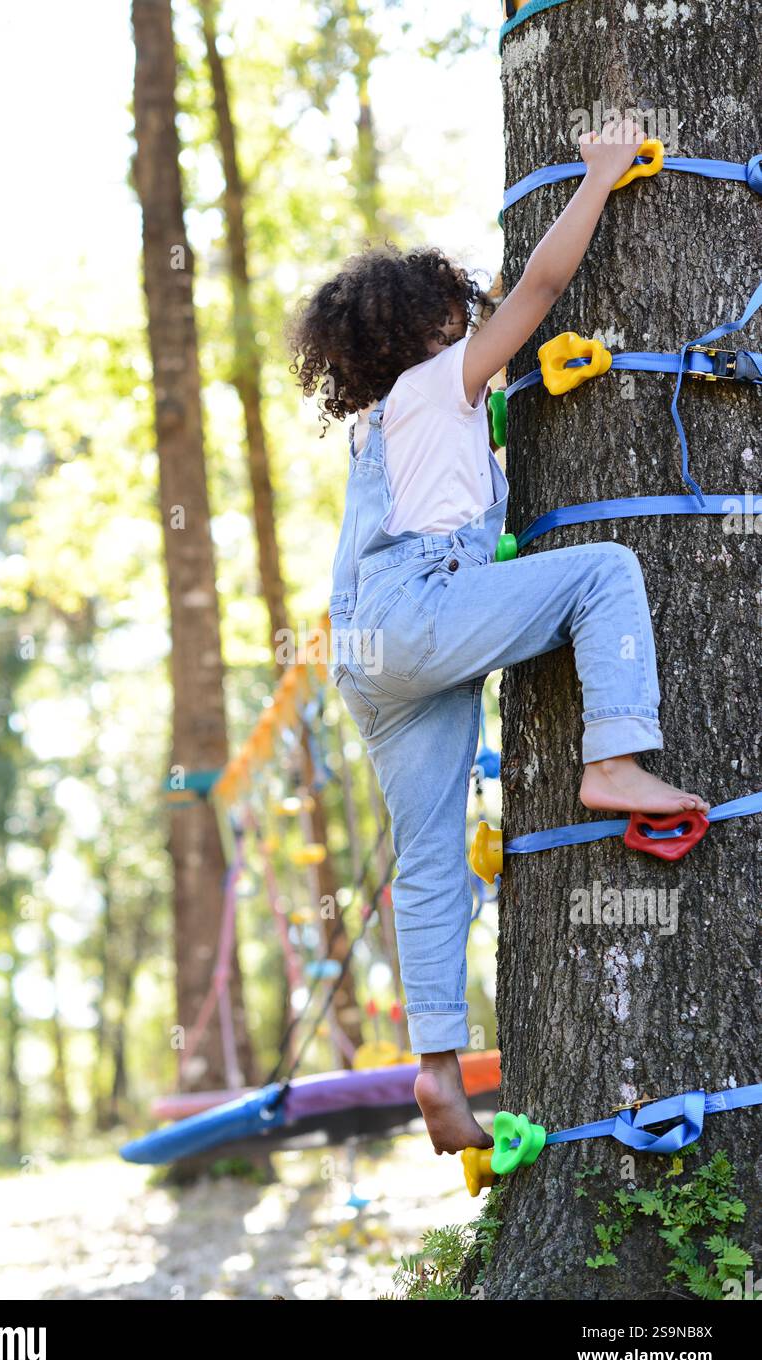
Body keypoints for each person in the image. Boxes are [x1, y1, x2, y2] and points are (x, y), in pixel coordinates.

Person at [286, 120, 709, 1156]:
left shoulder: (382, 425)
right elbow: (541, 290)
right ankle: (613, 759)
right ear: (429, 333)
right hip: (416, 609)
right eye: (458, 315)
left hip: (370, 653)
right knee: (607, 570)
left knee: (430, 859)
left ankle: (435, 1069)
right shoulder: (443, 382)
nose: (475, 321)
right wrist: (601, 177)